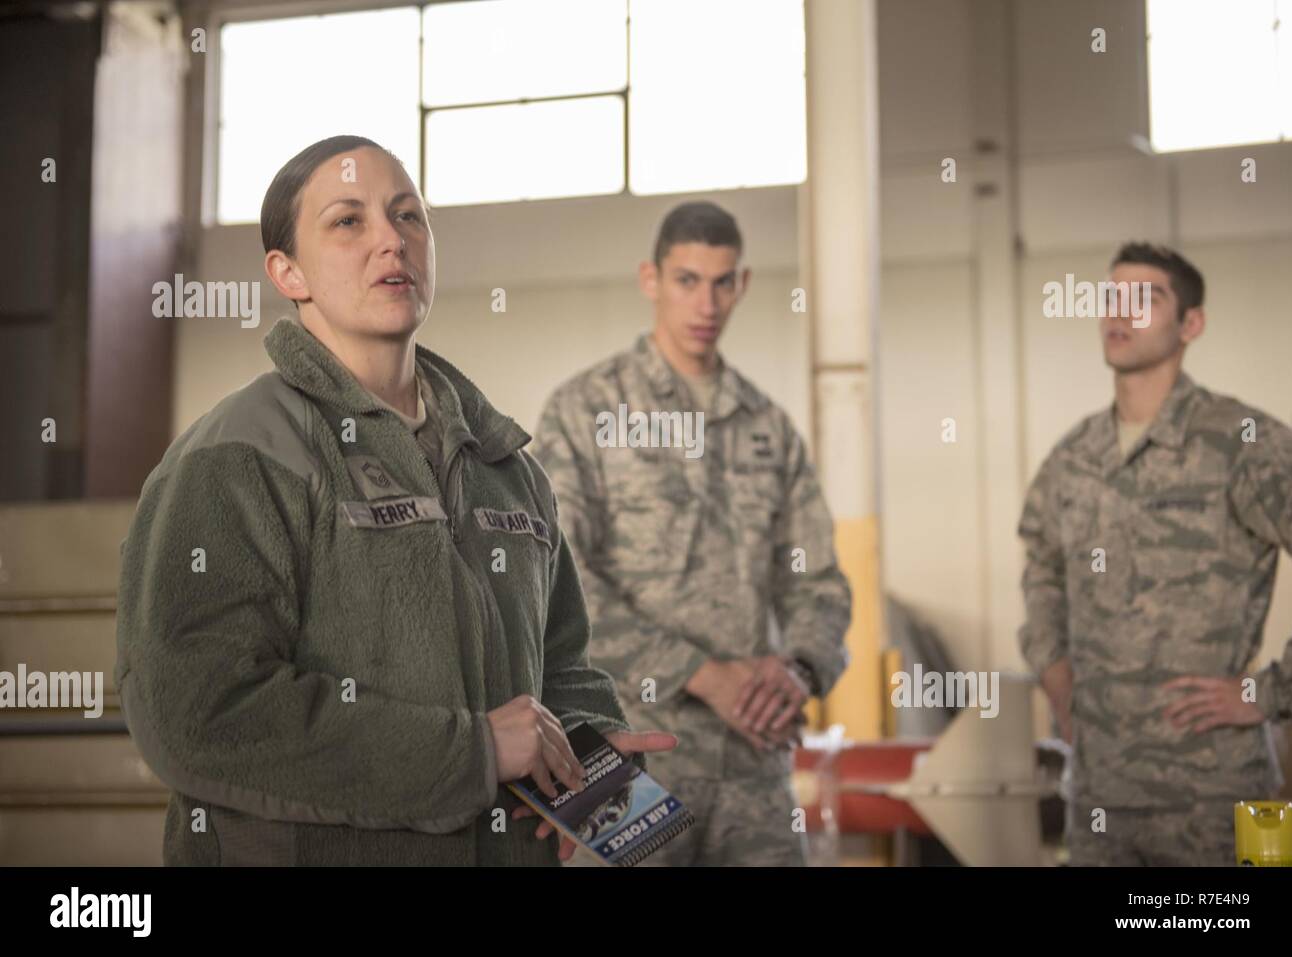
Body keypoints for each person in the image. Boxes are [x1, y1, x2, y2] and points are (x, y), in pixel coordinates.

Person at [115, 134, 673, 866]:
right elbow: (199, 713)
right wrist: (469, 752)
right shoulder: (238, 457)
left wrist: (591, 757)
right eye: (349, 221)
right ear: (287, 272)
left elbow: (560, 662)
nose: (392, 240)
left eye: (409, 216)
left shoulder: (506, 465)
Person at [533, 201, 852, 866]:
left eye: (722, 281)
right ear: (651, 278)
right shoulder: (587, 410)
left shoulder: (768, 427)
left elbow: (817, 581)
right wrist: (704, 674)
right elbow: (561, 583)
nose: (706, 302)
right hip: (623, 749)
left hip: (753, 759)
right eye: (687, 280)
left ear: (743, 284)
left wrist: (795, 669)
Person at [1018, 241, 1292, 866]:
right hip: (1099, 799)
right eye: (1111, 296)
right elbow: (1041, 563)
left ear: (1190, 324)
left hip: (1216, 793)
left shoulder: (1242, 444)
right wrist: (1054, 669)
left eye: (1146, 298)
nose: (1120, 312)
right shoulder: (1075, 457)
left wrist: (1272, 693)